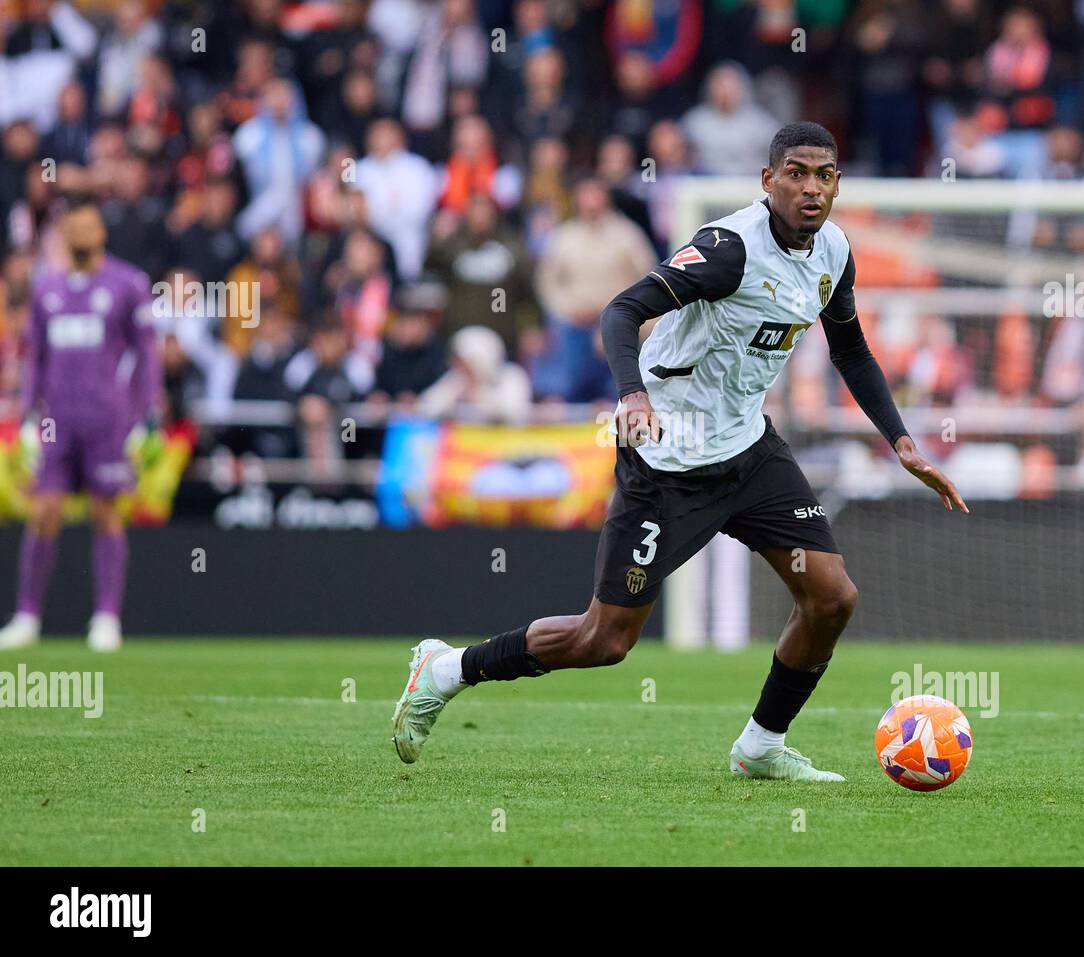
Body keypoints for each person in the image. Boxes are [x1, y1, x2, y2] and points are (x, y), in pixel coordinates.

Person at [390, 123, 968, 781]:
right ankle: (446, 669)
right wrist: (633, 395)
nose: (812, 188)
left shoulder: (834, 251)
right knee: (603, 640)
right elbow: (621, 310)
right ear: (769, 180)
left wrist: (902, 442)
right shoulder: (728, 249)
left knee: (832, 597)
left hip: (748, 450)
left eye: (825, 175)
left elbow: (851, 349)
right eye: (798, 173)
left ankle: (759, 748)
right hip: (666, 461)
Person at [0, 197, 161, 651]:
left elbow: (146, 354)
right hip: (58, 421)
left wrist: (147, 413)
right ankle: (27, 616)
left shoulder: (127, 284)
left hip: (107, 419)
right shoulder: (45, 288)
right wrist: (29, 414)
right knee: (43, 511)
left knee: (106, 512)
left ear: (101, 234)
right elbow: (37, 358)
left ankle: (107, 617)